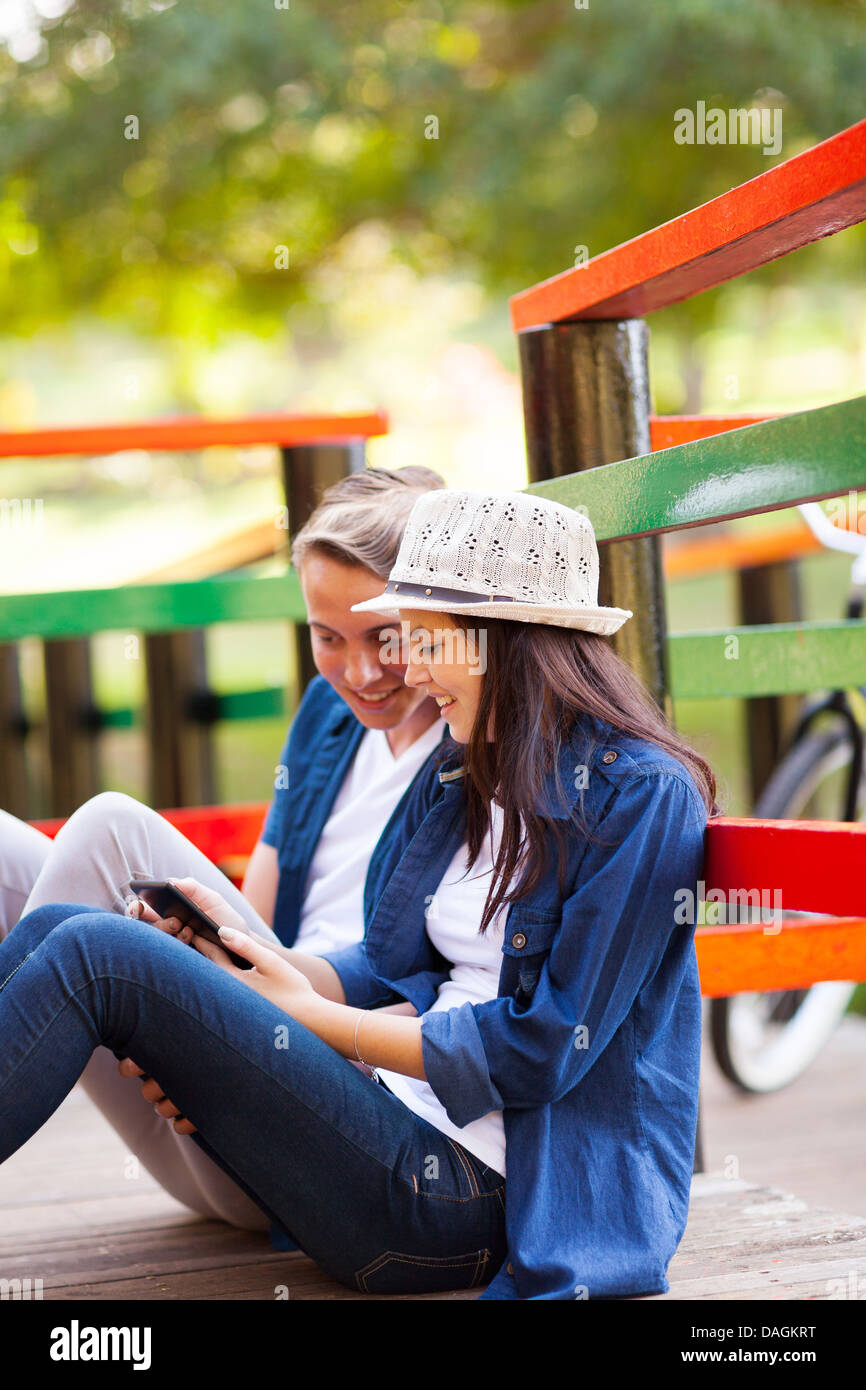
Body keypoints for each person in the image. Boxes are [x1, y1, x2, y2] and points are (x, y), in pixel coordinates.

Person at [0, 487, 719, 1299]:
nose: (406, 671)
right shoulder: (464, 769)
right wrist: (237, 968)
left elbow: (546, 1047)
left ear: (500, 642)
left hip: (467, 1199)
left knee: (98, 957)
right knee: (67, 923)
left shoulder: (642, 798)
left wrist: (311, 1019)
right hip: (379, 1118)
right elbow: (382, 964)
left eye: (424, 641)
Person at [0, 465, 447, 1230]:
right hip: (201, 1119)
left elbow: (465, 996)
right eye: (328, 638)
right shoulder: (327, 716)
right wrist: (184, 1012)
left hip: (319, 1136)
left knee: (110, 823)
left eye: (387, 638)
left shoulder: (475, 747)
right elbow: (248, 920)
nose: (362, 672)